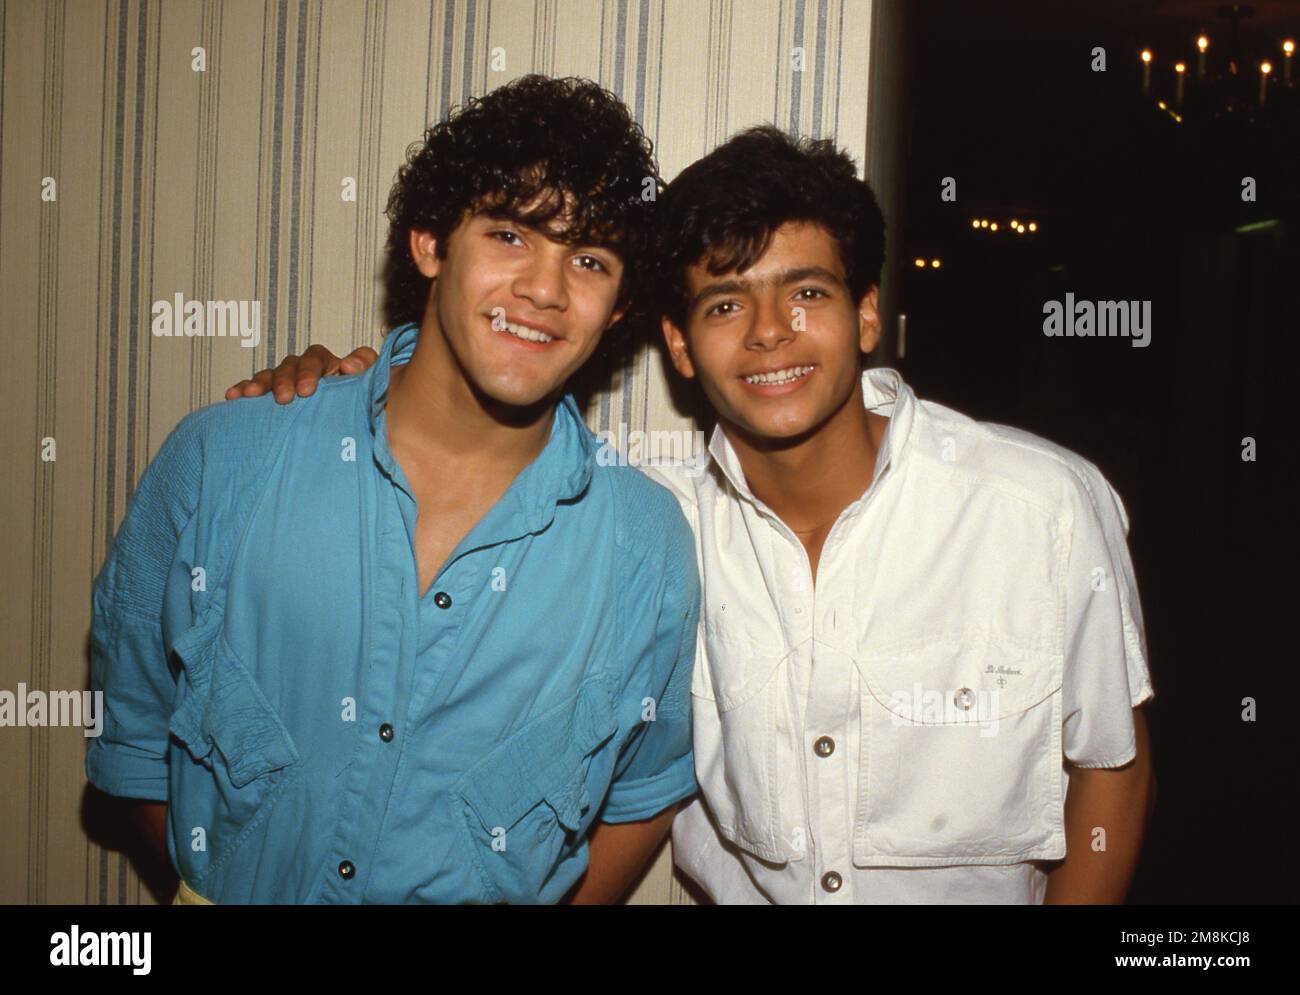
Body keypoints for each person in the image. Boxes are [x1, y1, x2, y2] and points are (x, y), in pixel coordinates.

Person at [234, 126, 1155, 904]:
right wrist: (347, 392)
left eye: (807, 293)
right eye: (725, 302)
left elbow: (1109, 764)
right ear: (676, 343)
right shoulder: (643, 537)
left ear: (867, 314)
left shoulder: (1040, 508)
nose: (768, 332)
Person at [87, 75, 700, 905]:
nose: (546, 290)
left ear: (619, 308)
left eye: (588, 260)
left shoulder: (643, 544)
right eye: (511, 235)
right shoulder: (221, 462)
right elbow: (133, 737)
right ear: (429, 243)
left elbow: (641, 792)